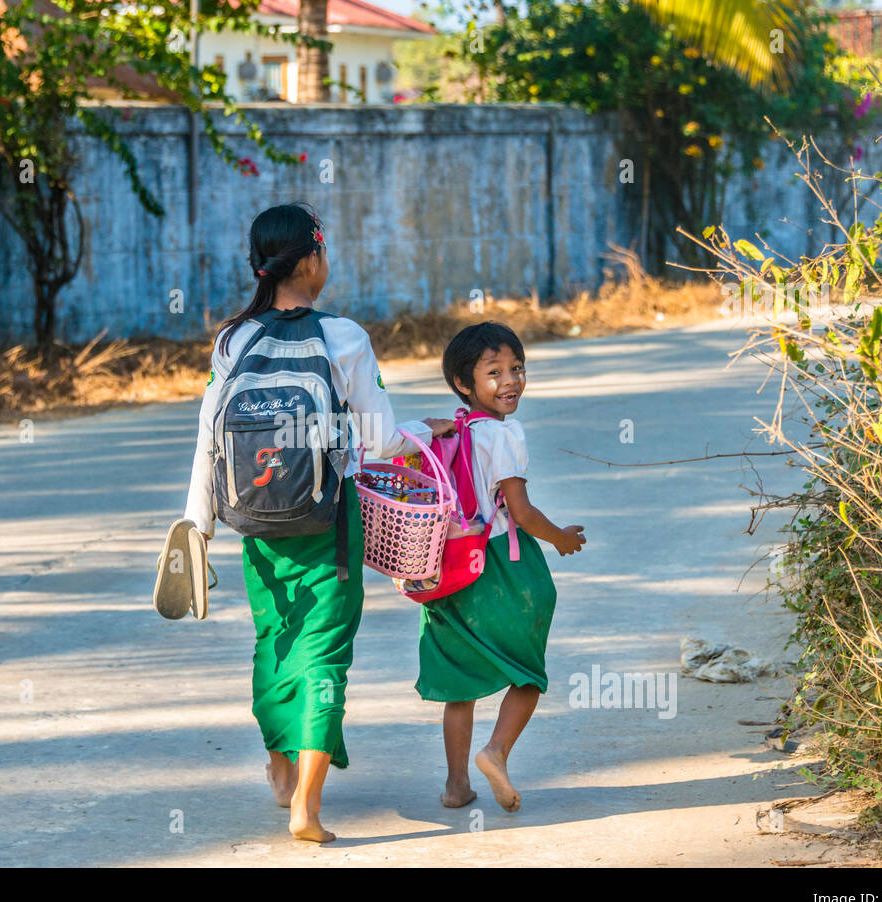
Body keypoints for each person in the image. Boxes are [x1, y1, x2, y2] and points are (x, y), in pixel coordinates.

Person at [183, 202, 454, 842]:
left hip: (253, 521)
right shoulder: (343, 337)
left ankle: (281, 769)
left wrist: (196, 523)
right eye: (324, 252)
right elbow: (379, 438)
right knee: (324, 655)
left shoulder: (232, 339)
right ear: (310, 258)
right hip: (328, 521)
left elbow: (208, 436)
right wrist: (425, 432)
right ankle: (307, 805)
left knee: (274, 641)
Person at [415, 321, 586, 813]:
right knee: (528, 671)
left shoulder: (451, 428)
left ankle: (455, 786)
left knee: (460, 684)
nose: (510, 380)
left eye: (517, 368)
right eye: (494, 372)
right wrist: (561, 540)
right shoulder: (505, 435)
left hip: (448, 569)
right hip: (500, 566)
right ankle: (495, 752)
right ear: (464, 384)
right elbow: (523, 511)